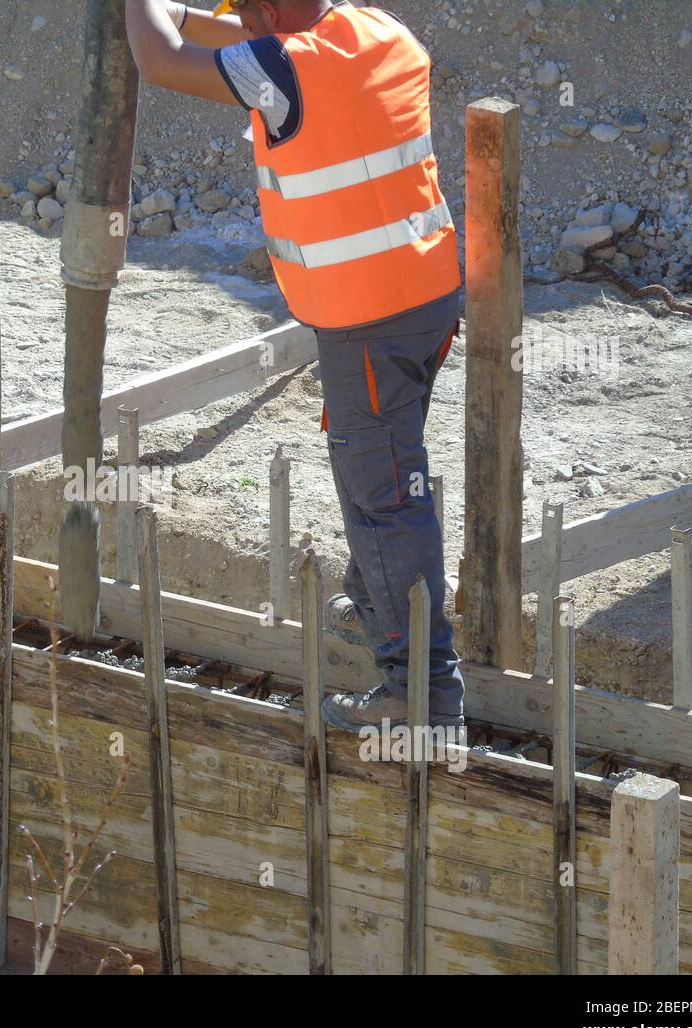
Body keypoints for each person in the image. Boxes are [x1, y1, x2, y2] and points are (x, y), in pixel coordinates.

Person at [124, 0, 465, 736]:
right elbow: (228, 37)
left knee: (383, 496)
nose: (240, 25)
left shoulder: (287, 68)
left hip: (371, 318)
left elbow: (161, 61)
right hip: (426, 298)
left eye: (246, 13)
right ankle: (380, 602)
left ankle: (422, 695)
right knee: (385, 467)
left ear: (272, 12)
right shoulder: (374, 32)